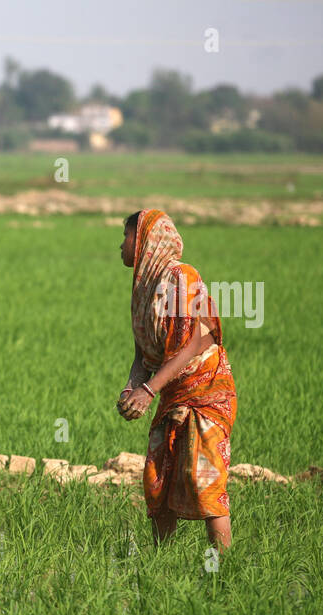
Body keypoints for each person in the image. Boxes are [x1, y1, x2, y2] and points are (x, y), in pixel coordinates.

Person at [117, 210, 237, 550]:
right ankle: (159, 562)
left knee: (205, 480)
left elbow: (191, 345)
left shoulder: (182, 278)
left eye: (125, 237)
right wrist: (132, 387)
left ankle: (225, 567)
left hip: (206, 392)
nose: (120, 246)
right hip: (173, 391)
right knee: (160, 478)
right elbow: (143, 354)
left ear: (144, 242)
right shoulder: (144, 289)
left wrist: (147, 390)